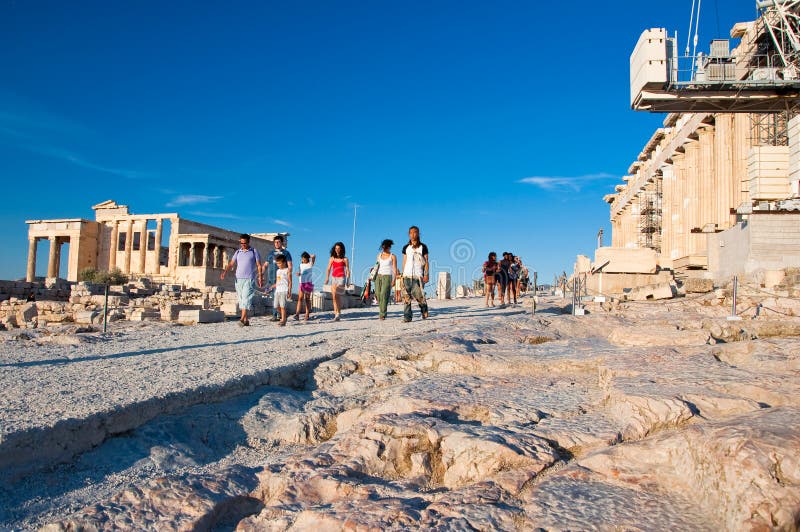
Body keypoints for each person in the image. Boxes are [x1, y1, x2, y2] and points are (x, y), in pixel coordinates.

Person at [220, 233, 262, 326]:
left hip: (249, 278)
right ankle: (246, 320)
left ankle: (242, 319)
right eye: (241, 243)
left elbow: (259, 265)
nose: (243, 245)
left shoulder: (254, 251)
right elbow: (231, 263)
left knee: (246, 298)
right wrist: (224, 272)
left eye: (244, 243)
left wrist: (260, 277)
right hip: (238, 279)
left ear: (248, 242)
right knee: (241, 299)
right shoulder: (238, 252)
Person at [400, 226, 429, 322]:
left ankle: (424, 310)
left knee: (419, 297)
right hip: (406, 276)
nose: (413, 234)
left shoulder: (423, 247)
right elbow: (404, 261)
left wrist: (426, 274)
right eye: (411, 233)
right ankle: (407, 317)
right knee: (406, 298)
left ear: (418, 234)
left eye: (415, 232)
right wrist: (402, 274)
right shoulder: (406, 248)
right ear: (409, 234)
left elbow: (426, 262)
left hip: (418, 276)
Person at [264, 235, 292, 322]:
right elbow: (265, 264)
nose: (276, 243)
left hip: (282, 279)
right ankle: (275, 315)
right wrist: (261, 274)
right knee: (274, 298)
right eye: (275, 242)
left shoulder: (286, 253)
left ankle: (281, 316)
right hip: (272, 278)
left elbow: (290, 265)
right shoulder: (270, 253)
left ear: (282, 243)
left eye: (278, 242)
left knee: (281, 300)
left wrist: (289, 273)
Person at [324, 241, 349, 321]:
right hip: (333, 278)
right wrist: (327, 278)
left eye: (338, 248)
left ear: (341, 249)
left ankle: (338, 313)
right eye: (336, 248)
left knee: (336, 294)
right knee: (334, 297)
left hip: (341, 278)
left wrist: (348, 281)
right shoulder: (332, 258)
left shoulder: (345, 259)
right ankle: (337, 314)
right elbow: (328, 269)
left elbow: (348, 270)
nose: (337, 250)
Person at [375, 239, 399, 320]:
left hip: (387, 276)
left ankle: (382, 314)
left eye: (386, 247)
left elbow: (395, 269)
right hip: (378, 276)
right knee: (378, 294)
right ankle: (382, 309)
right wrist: (372, 274)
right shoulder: (379, 255)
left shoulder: (393, 256)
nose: (385, 249)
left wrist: (394, 280)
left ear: (389, 247)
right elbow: (376, 266)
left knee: (383, 295)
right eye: (383, 247)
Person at [269, 255, 292, 326]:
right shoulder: (278, 271)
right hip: (277, 291)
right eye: (277, 263)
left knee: (282, 306)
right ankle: (284, 315)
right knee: (276, 306)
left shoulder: (287, 270)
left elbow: (290, 282)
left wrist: (289, 291)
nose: (278, 265)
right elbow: (277, 282)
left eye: (279, 263)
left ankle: (283, 320)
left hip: (284, 290)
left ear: (284, 262)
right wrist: (272, 287)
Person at [294, 252, 315, 321]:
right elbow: (301, 273)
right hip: (301, 283)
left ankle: (307, 314)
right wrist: (299, 274)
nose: (303, 260)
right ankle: (297, 314)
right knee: (300, 298)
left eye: (304, 258)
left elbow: (314, 256)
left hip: (308, 283)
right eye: (302, 258)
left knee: (307, 299)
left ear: (307, 258)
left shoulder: (310, 264)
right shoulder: (300, 265)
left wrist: (310, 256)